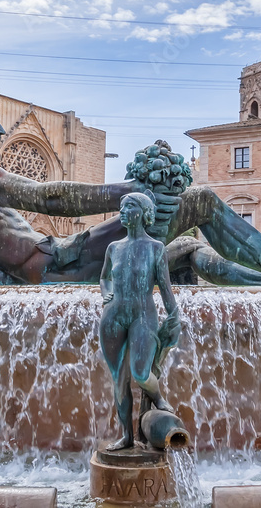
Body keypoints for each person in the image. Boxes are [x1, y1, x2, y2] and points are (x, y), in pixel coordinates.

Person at [0, 89, 261, 288]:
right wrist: (132, 191)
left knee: (188, 249)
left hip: (56, 260)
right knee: (200, 201)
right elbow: (49, 198)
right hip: (60, 265)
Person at [99, 193, 180, 450]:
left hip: (143, 315)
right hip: (113, 316)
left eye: (129, 206)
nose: (123, 211)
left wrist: (173, 314)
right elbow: (103, 278)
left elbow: (165, 287)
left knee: (140, 374)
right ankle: (127, 436)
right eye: (121, 207)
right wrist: (105, 291)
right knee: (119, 379)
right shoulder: (114, 248)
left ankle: (158, 397)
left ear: (144, 213)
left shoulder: (156, 248)